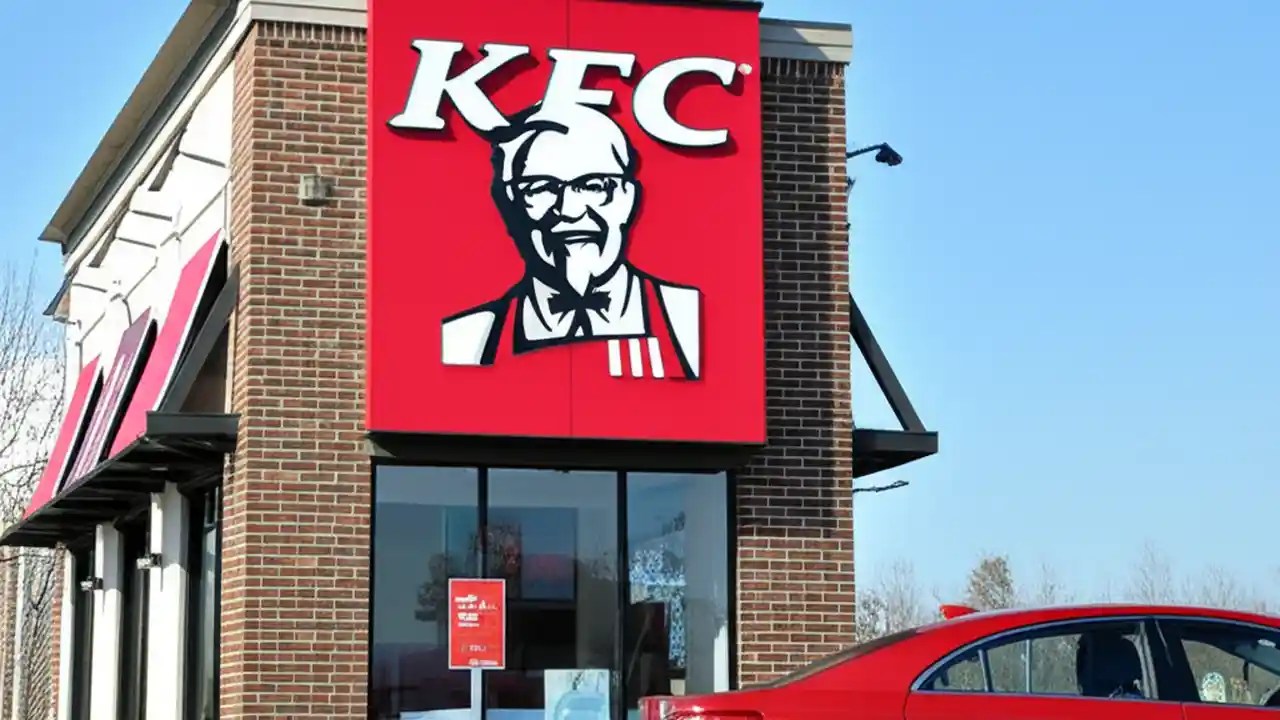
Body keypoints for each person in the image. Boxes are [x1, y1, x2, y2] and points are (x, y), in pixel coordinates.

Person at [441, 101, 701, 381]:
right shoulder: (465, 340)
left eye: (594, 185)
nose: (570, 210)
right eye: (541, 188)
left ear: (628, 198)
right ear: (513, 204)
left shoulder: (687, 317)